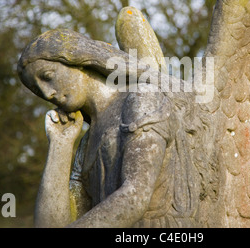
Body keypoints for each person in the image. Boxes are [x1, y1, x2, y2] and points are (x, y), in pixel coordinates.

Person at [17, 28, 204, 228]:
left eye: (47, 76)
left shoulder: (142, 98)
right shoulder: (86, 144)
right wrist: (60, 146)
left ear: (76, 61)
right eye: (37, 89)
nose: (47, 93)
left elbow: (135, 198)